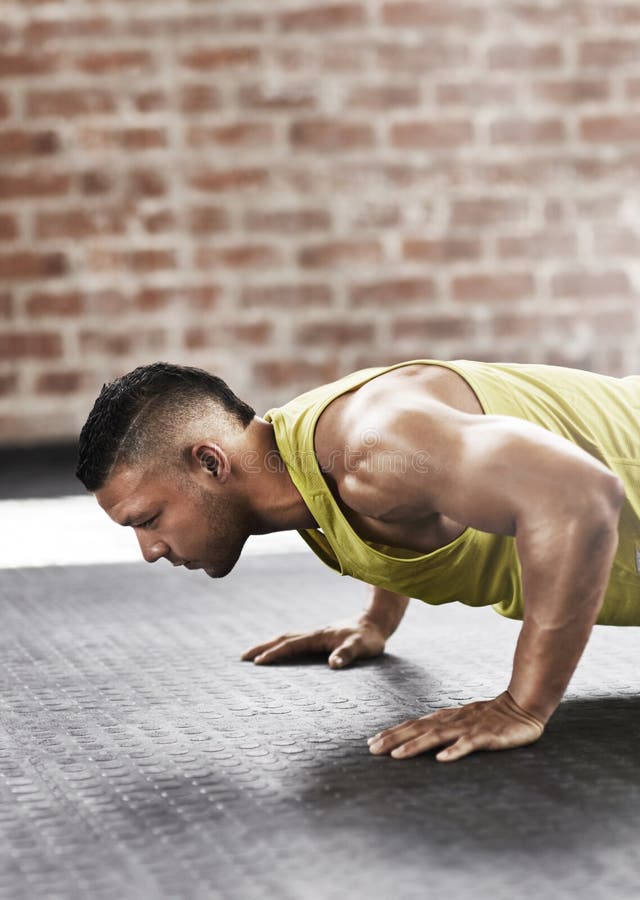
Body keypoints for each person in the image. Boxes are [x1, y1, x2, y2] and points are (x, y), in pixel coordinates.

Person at [76, 357, 639, 763]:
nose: (149, 551)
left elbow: (579, 497)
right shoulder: (299, 464)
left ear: (210, 462)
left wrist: (523, 705)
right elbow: (404, 510)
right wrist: (376, 620)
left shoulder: (375, 447)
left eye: (147, 520)